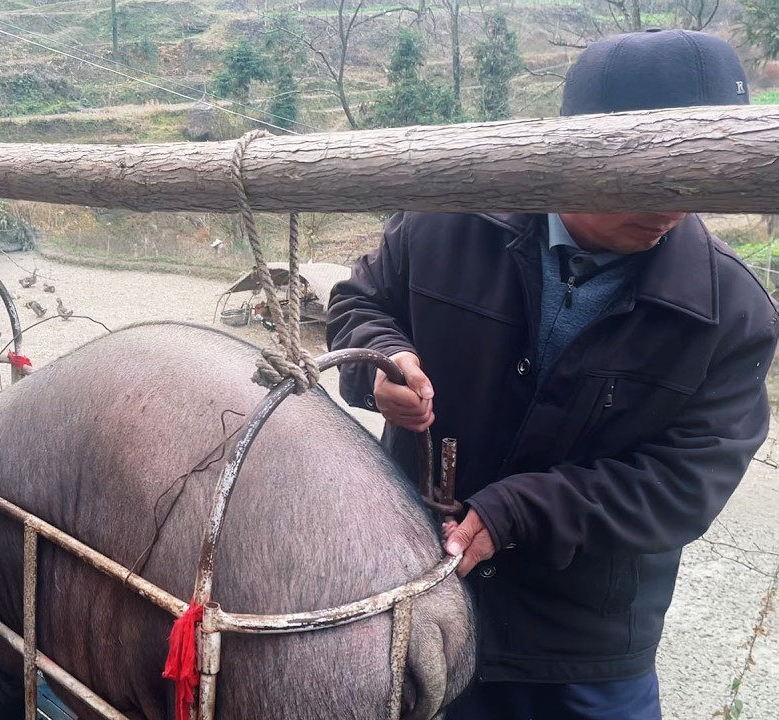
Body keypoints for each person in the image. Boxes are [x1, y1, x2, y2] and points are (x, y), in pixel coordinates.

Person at [326, 29, 779, 720]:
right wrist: (380, 367)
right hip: (424, 593)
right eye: (648, 173)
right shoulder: (444, 221)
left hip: (586, 646)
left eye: (700, 178)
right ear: (570, 151)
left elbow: (684, 486)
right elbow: (360, 305)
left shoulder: (733, 311)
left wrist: (519, 512)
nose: (672, 206)